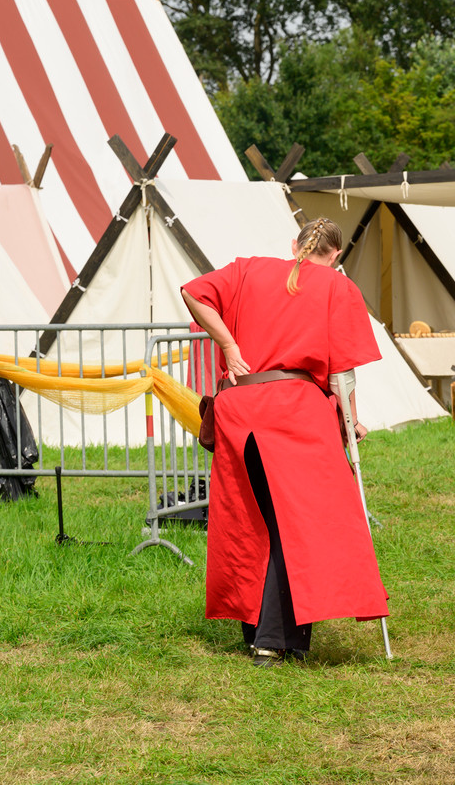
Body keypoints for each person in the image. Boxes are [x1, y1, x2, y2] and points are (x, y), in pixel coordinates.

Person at [180, 218, 387, 667]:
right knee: (296, 526)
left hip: (239, 411)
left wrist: (230, 346)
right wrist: (350, 420)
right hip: (293, 411)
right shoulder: (336, 286)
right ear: (335, 255)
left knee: (252, 521)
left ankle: (263, 631)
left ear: (294, 245)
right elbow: (342, 371)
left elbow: (193, 292)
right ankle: (272, 640)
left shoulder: (249, 269)